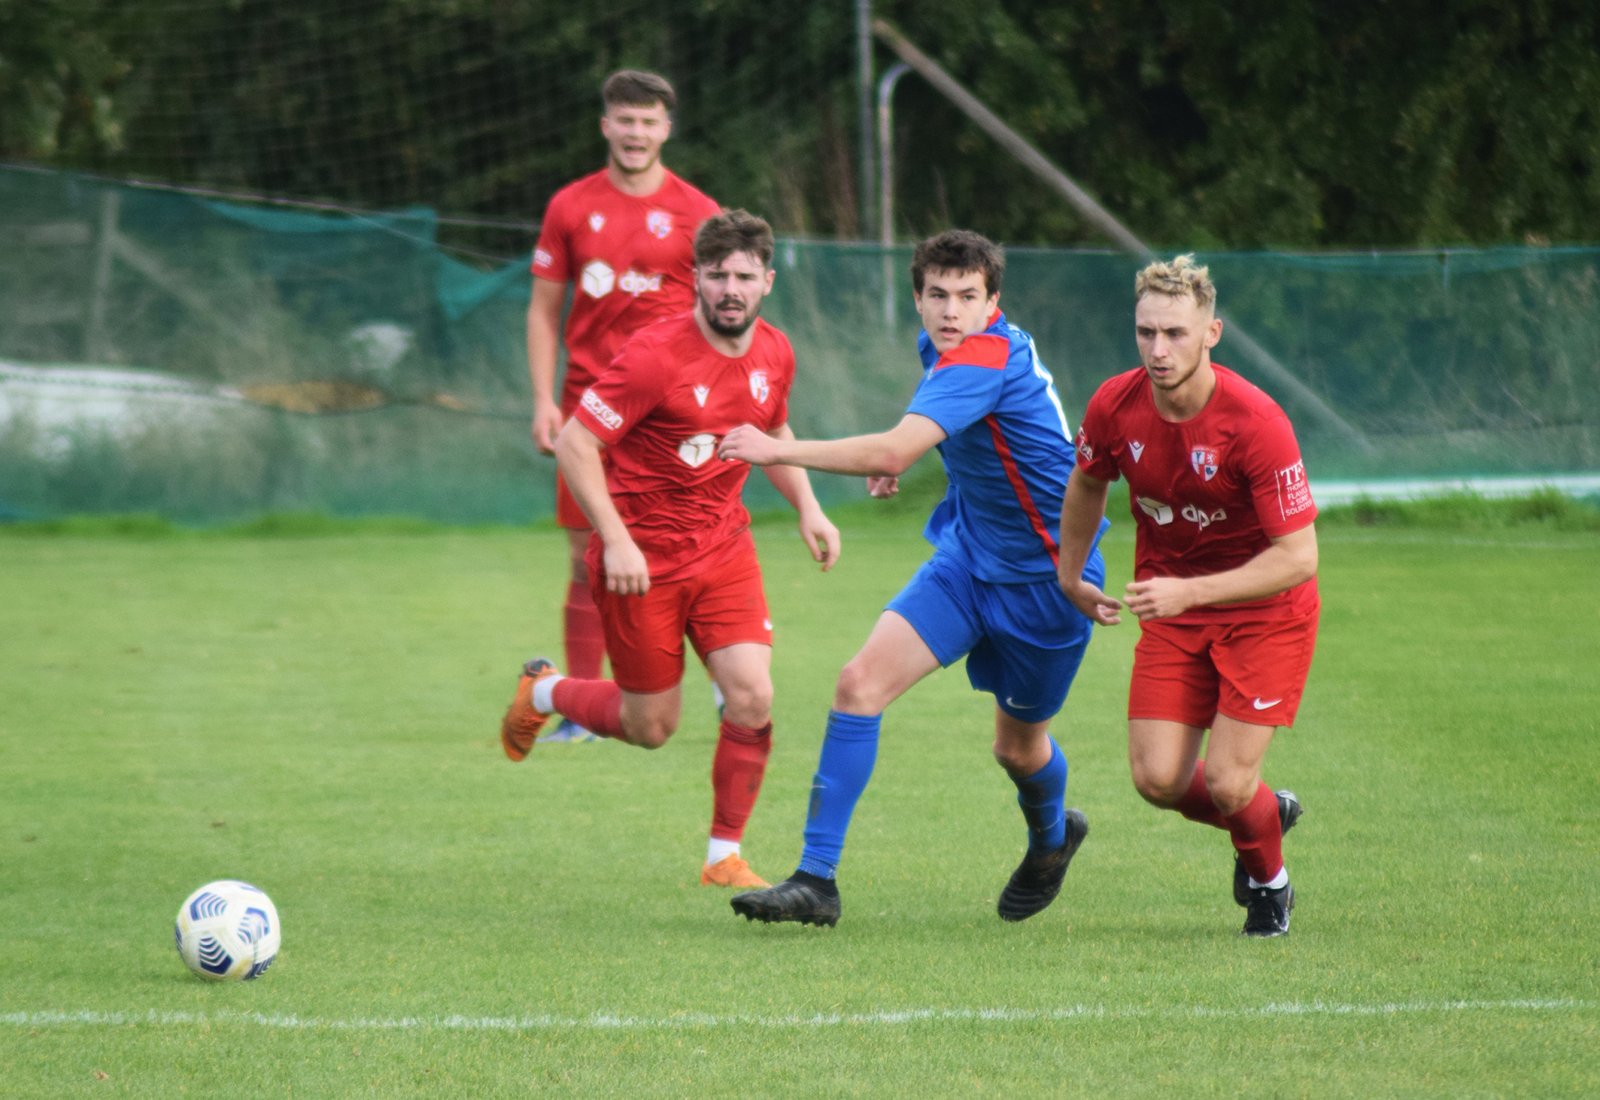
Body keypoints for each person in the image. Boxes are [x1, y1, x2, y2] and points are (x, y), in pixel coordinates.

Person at [717, 229, 1108, 927]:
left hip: (1050, 581)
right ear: (918, 299)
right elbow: (963, 434)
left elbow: (898, 444)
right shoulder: (943, 346)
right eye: (937, 294)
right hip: (967, 562)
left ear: (993, 302)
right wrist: (911, 457)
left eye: (967, 296)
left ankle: (1052, 839)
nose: (951, 310)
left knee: (1017, 749)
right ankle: (816, 880)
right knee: (857, 685)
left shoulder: (986, 355)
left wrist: (775, 449)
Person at [501, 209, 841, 889]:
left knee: (752, 695)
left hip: (723, 549)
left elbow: (771, 432)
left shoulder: (777, 352)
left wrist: (809, 507)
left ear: (768, 281)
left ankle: (723, 858)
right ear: (696, 279)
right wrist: (617, 541)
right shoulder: (655, 355)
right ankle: (544, 691)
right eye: (716, 275)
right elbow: (575, 443)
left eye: (744, 276)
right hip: (642, 562)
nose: (730, 290)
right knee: (650, 727)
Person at [1055, 254, 1318, 938]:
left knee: (1228, 781)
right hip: (1175, 610)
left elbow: (1298, 557)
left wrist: (1189, 591)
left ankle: (1270, 886)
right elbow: (1087, 482)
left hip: (1266, 614)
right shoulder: (1114, 404)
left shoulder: (1256, 421)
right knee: (1158, 781)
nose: (1158, 349)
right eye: (1146, 332)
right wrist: (1070, 573)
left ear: (1211, 334)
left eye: (1175, 333)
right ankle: (1265, 814)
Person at [525, 69, 722, 742]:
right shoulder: (570, 206)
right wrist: (543, 400)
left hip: (670, 414)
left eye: (648, 121)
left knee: (691, 545)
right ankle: (578, 710)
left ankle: (724, 680)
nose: (636, 133)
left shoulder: (699, 212)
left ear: (666, 128)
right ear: (606, 125)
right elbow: (543, 310)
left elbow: (725, 310)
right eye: (625, 120)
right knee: (587, 555)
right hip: (588, 408)